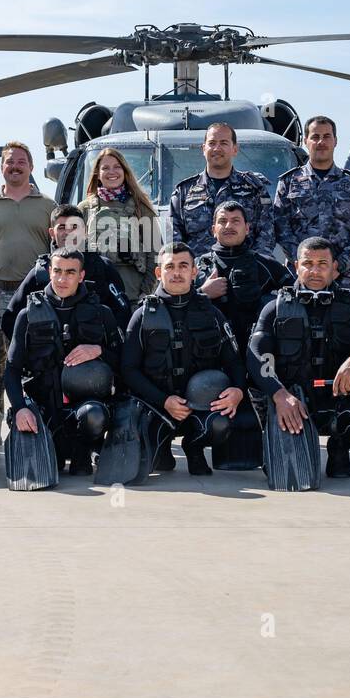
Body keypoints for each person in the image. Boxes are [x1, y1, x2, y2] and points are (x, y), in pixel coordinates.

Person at [250, 237, 350, 478]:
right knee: (292, 475)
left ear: (334, 267)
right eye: (308, 263)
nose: (315, 271)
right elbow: (255, 356)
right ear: (296, 266)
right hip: (290, 403)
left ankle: (340, 445)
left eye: (322, 264)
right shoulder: (274, 307)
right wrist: (279, 394)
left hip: (336, 403)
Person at [121, 242, 246, 474]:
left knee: (220, 423)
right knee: (160, 465)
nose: (176, 273)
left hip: (201, 405)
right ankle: (162, 447)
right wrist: (164, 400)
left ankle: (194, 446)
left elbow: (234, 361)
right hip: (157, 405)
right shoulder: (142, 316)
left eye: (183, 266)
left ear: (194, 271)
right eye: (170, 267)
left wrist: (238, 390)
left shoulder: (211, 313)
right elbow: (128, 370)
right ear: (159, 272)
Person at [6, 248, 125, 475]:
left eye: (70, 272)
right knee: (51, 467)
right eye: (57, 271)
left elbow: (123, 365)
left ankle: (86, 447)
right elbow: (11, 370)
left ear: (81, 276)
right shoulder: (28, 315)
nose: (62, 279)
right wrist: (20, 408)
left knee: (95, 415)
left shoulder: (102, 314)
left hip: (85, 409)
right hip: (44, 407)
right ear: (49, 271)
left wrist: (99, 350)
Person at [0, 141, 55, 426]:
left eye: (20, 162)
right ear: (1, 167)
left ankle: (28, 416)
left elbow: (57, 252)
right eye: (9, 162)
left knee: (28, 359)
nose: (14, 167)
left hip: (33, 297)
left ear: (30, 166)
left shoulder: (49, 207)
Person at [2, 204, 130, 340]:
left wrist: (104, 350)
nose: (68, 233)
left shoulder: (102, 267)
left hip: (93, 354)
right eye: (62, 227)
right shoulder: (40, 273)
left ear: (85, 231)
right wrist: (32, 351)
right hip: (47, 356)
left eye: (74, 227)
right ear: (52, 233)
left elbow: (122, 313)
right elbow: (11, 319)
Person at [272, 115, 350, 288]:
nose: (321, 142)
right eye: (315, 137)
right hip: (299, 276)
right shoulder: (288, 182)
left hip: (342, 279)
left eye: (326, 136)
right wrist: (305, 263)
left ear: (335, 141)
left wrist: (338, 265)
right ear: (305, 141)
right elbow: (280, 226)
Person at [194, 200, 293, 354]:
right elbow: (173, 305)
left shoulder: (267, 266)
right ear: (213, 230)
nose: (228, 226)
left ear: (247, 228)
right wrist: (202, 293)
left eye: (235, 221)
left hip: (257, 353)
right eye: (222, 221)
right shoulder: (195, 267)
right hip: (210, 353)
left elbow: (298, 299)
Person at [170, 122, 275, 257]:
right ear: (203, 148)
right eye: (212, 143)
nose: (217, 148)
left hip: (244, 270)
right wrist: (186, 268)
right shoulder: (184, 191)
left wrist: (256, 265)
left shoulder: (255, 188)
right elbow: (171, 235)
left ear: (235, 149)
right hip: (199, 272)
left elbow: (267, 231)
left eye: (224, 143)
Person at [77, 146, 161, 300]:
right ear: (98, 174)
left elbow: (155, 253)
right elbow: (74, 253)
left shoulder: (140, 208)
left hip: (132, 294)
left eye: (117, 167)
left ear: (125, 171)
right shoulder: (84, 209)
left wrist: (146, 291)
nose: (112, 172)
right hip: (95, 295)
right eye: (105, 168)